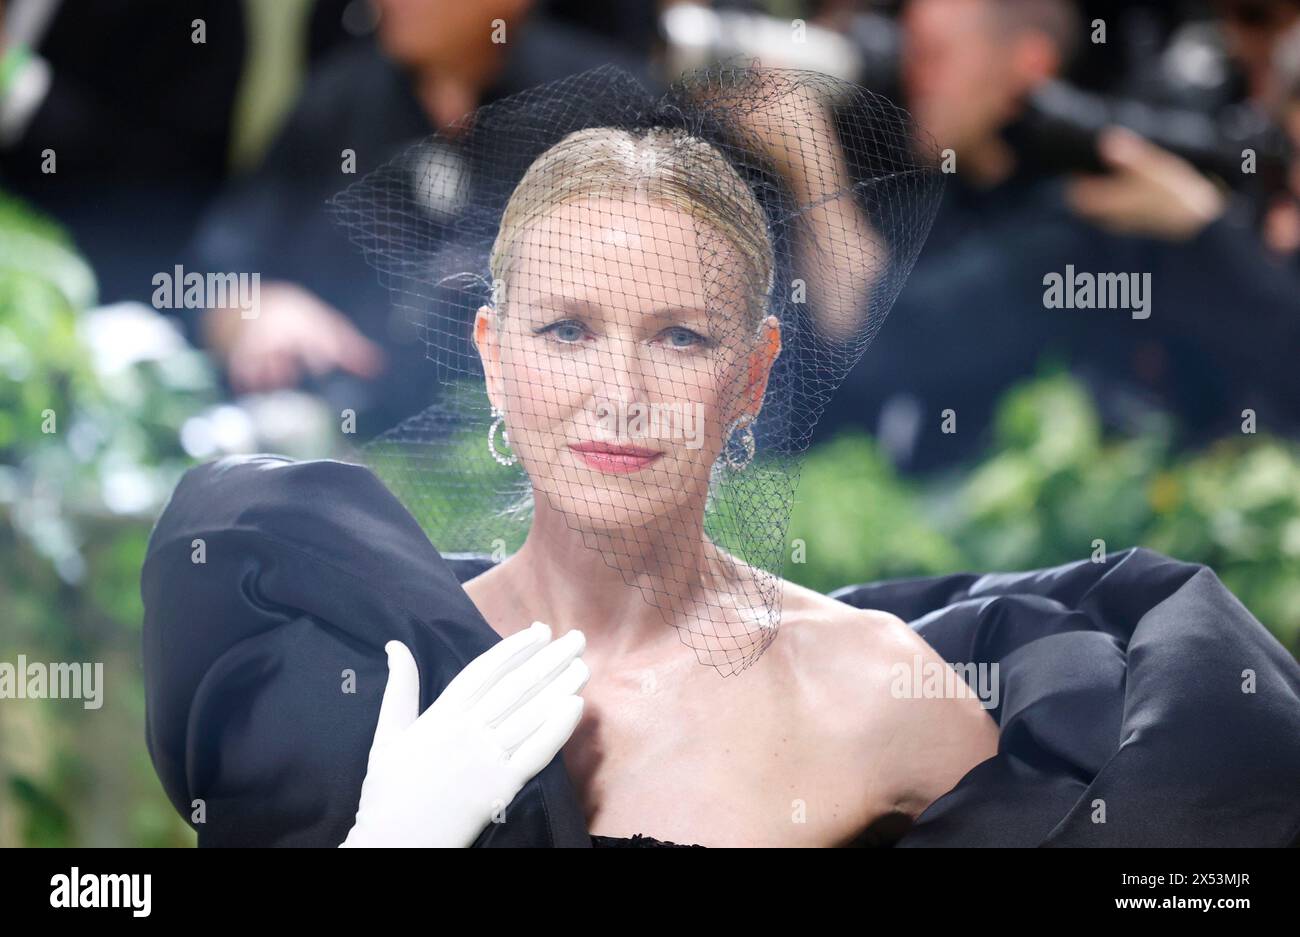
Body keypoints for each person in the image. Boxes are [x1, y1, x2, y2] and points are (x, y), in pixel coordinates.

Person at [140, 65, 1300, 848]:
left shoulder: (870, 689)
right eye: (566, 330)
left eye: (680, 337)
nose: (621, 395)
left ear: (751, 376)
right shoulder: (354, 676)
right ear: (493, 357)